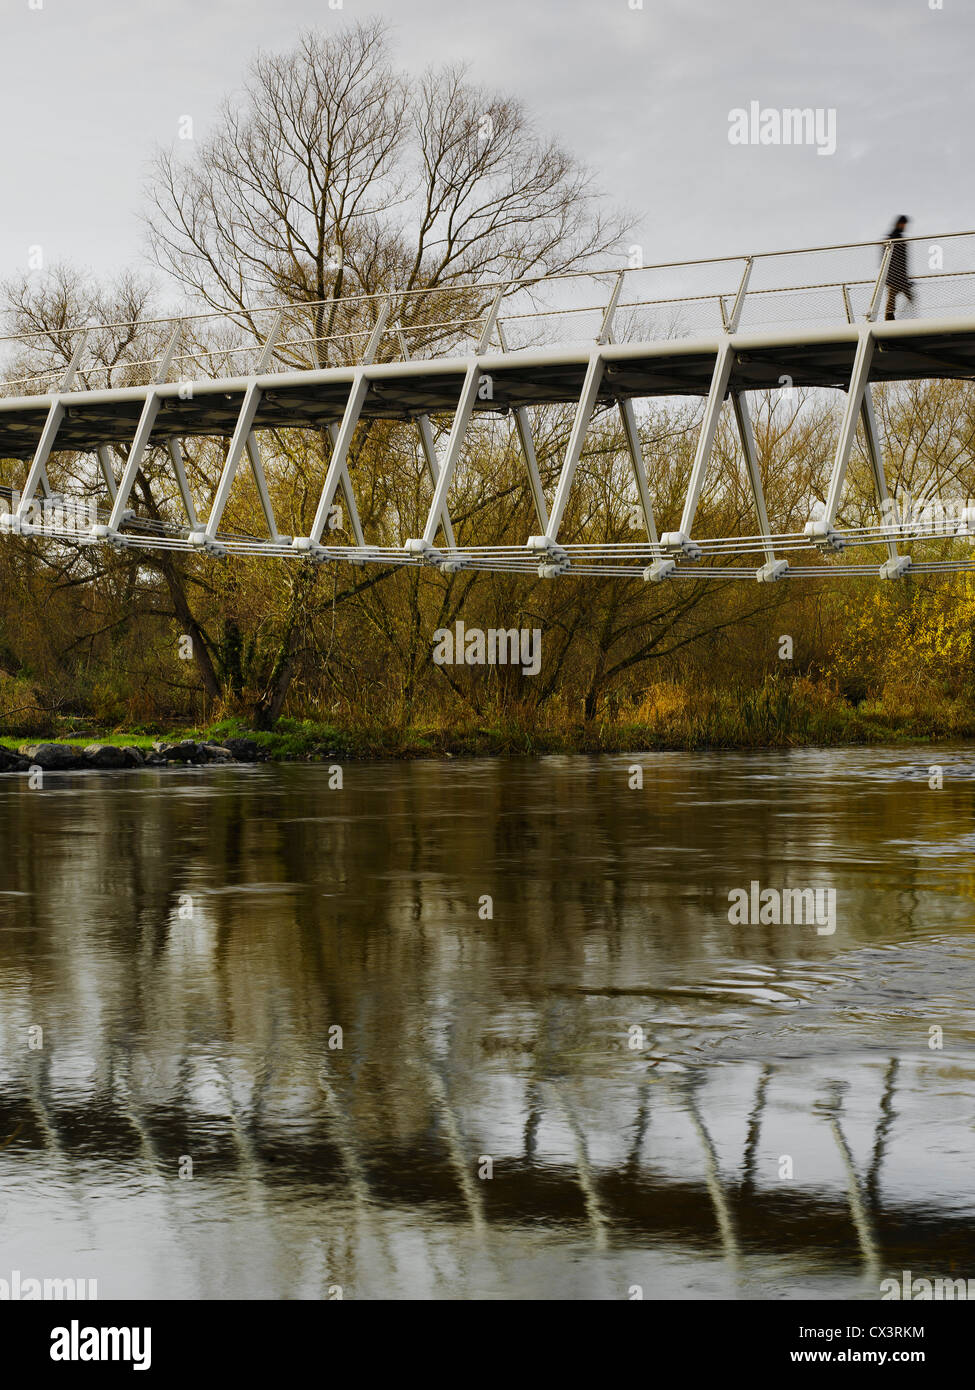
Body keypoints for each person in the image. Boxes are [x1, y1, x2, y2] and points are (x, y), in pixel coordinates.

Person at [884, 215, 913, 320]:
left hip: (896, 276)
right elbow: (899, 260)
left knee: (892, 301)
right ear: (900, 223)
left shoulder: (892, 237)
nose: (905, 226)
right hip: (896, 276)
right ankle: (894, 320)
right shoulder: (895, 238)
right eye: (904, 224)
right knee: (892, 302)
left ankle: (892, 320)